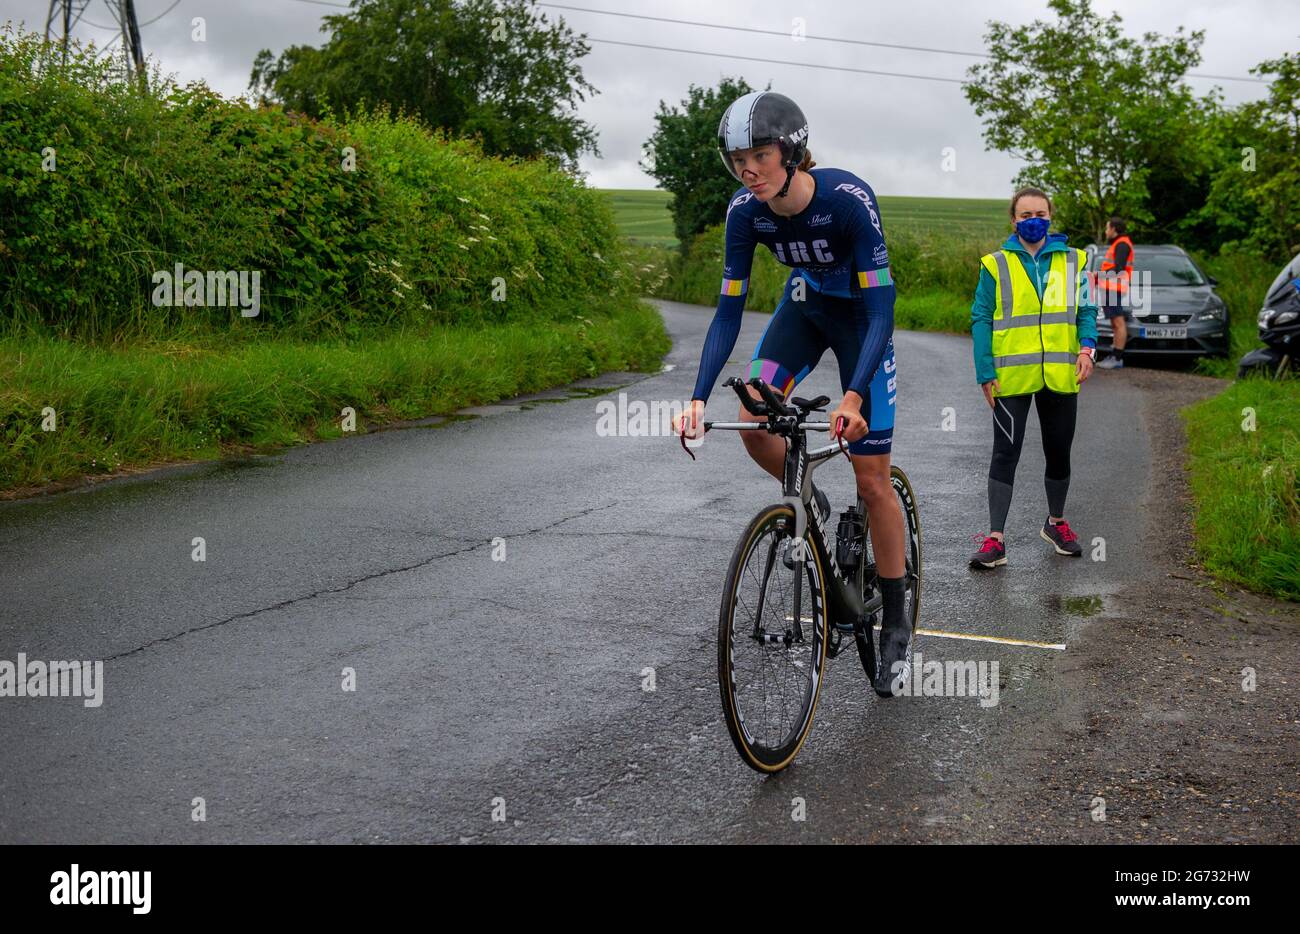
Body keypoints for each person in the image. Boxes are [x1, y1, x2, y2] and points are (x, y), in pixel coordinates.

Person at [673, 91, 908, 697]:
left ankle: (897, 618)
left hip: (862, 320)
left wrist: (853, 396)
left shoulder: (848, 200)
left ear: (793, 151)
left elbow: (883, 307)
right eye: (735, 160)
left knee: (872, 478)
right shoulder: (744, 212)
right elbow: (728, 312)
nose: (745, 169)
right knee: (754, 416)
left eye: (757, 155)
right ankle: (809, 500)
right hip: (804, 309)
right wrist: (698, 396)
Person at [967, 187, 1097, 569]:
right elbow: (981, 318)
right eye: (1025, 215)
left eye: (1040, 213)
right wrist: (984, 371)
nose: (1033, 220)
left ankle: (1056, 523)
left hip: (1061, 373)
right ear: (1014, 220)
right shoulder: (995, 264)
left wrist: (1088, 349)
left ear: (1050, 217)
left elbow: (1086, 310)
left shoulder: (1076, 261)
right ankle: (995, 540)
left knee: (1059, 451)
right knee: (1005, 452)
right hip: (1011, 377)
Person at [1095, 217, 1134, 369]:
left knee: (1118, 323)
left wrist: (1098, 275)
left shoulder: (1122, 244)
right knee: (1115, 323)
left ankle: (1117, 358)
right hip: (1110, 288)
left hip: (1114, 288)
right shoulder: (1119, 244)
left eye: (1107, 228)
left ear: (1114, 229)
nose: (1106, 231)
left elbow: (1119, 268)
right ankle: (1114, 355)